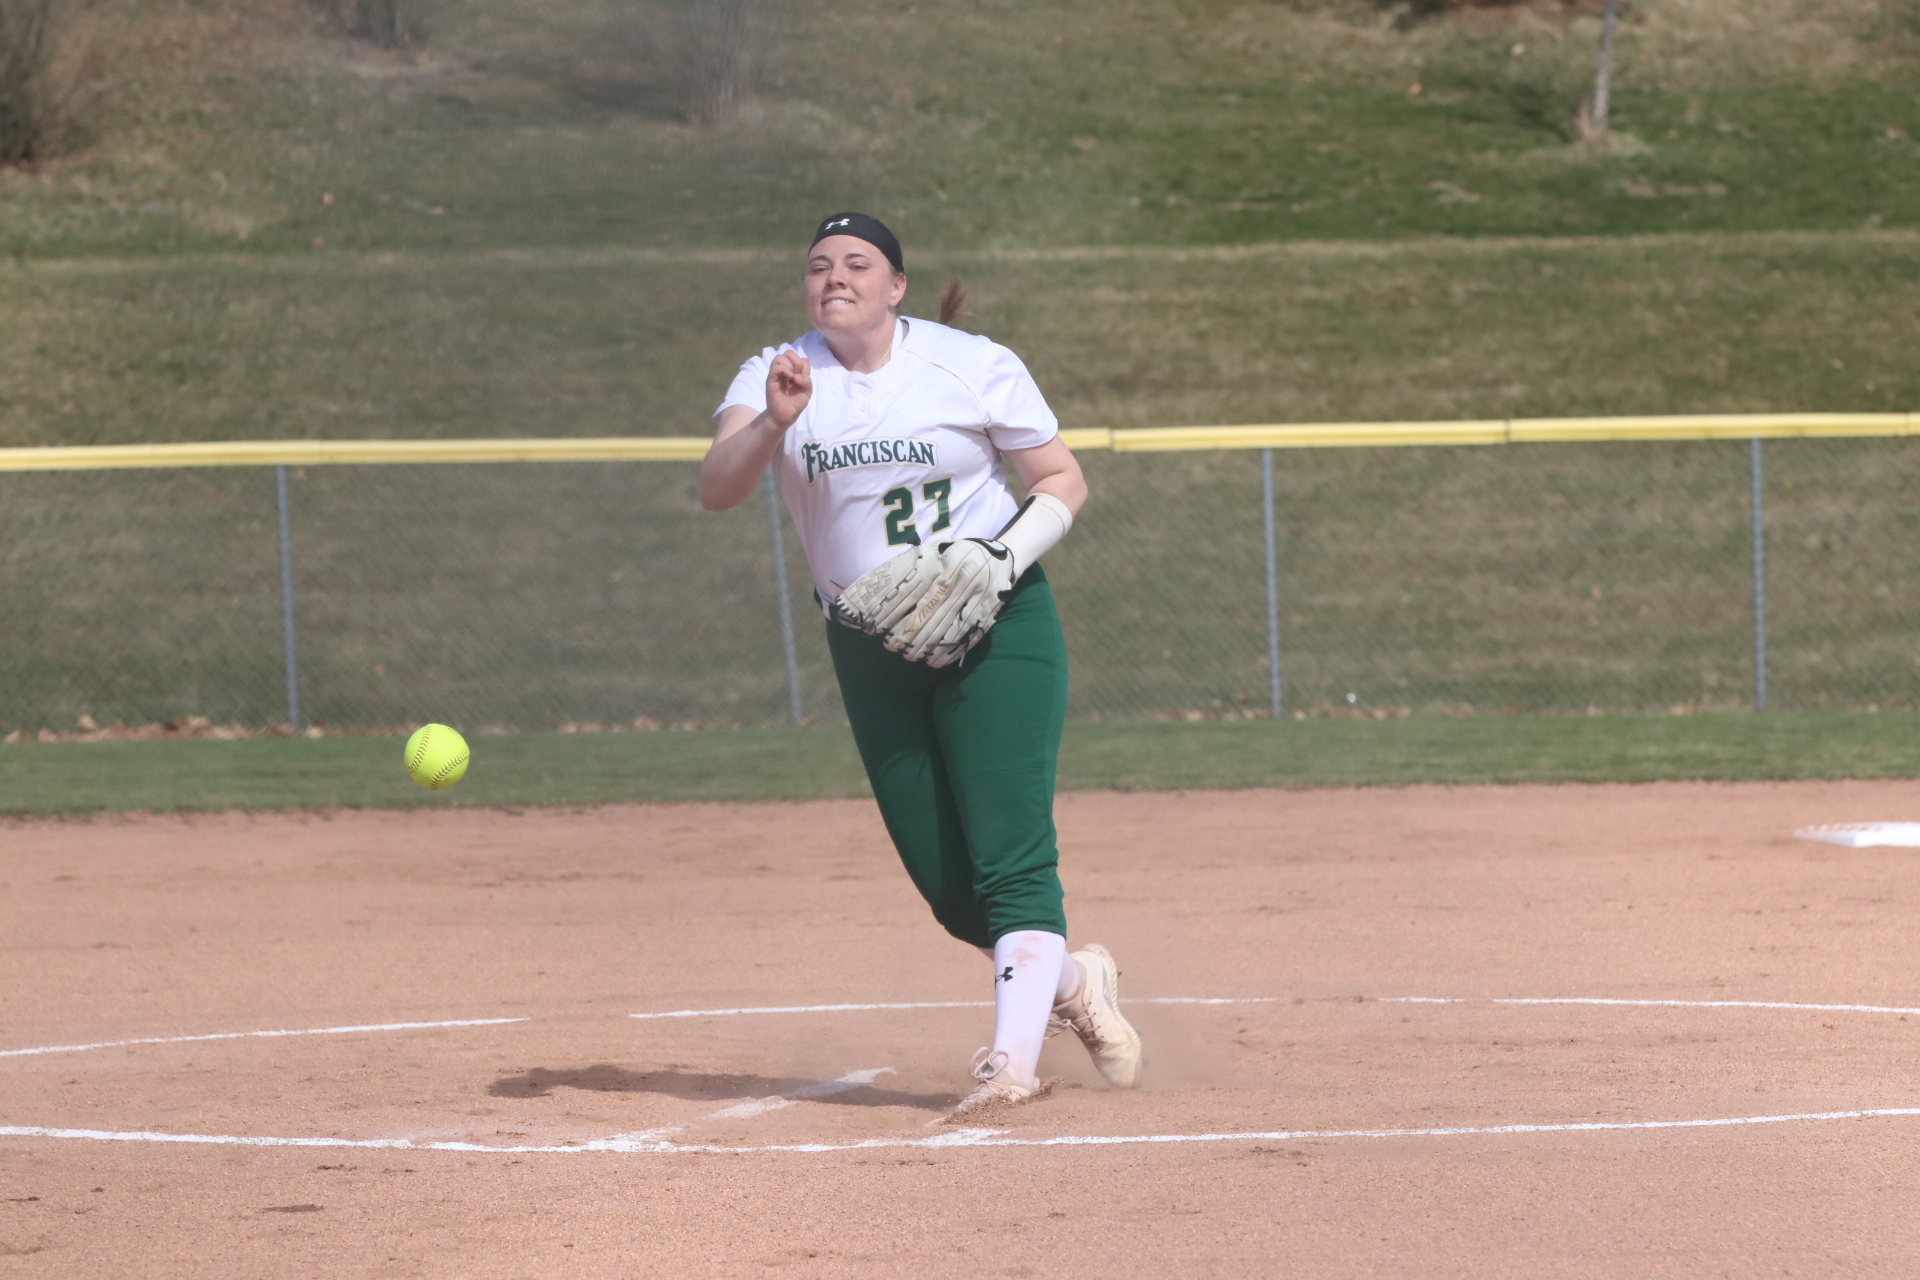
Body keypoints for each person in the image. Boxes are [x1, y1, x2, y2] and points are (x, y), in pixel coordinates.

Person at [699, 212, 1143, 1119]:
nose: (835, 277)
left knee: (1012, 853)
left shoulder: (969, 363)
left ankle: (1010, 1067)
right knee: (950, 889)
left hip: (995, 625)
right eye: (819, 265)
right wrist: (773, 423)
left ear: (896, 286)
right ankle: (1072, 982)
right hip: (871, 645)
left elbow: (1062, 480)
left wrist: (1002, 558)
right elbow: (718, 487)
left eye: (857, 263)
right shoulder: (778, 373)